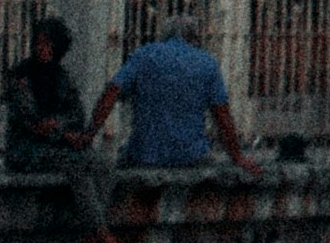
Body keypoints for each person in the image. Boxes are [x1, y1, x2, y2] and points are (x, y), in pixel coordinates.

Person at [2, 11, 124, 243]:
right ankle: (101, 234)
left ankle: (93, 233)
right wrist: (64, 133)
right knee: (75, 167)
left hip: (58, 145)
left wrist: (74, 133)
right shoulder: (21, 76)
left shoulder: (60, 77)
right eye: (39, 43)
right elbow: (31, 121)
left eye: (48, 44)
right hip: (26, 149)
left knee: (103, 165)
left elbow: (76, 114)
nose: (42, 49)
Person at [92, 22, 254, 184]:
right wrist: (237, 156)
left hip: (144, 154)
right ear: (194, 38)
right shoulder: (207, 63)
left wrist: (89, 133)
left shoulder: (144, 55)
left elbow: (112, 92)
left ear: (164, 36)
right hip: (191, 156)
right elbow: (222, 115)